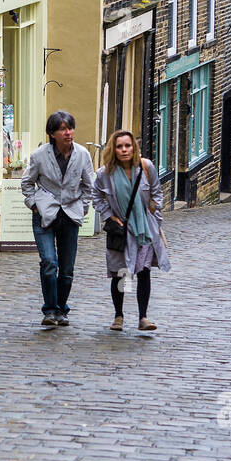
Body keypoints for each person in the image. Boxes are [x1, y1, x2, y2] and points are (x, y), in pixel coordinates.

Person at [21, 111, 95, 327]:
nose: (68, 132)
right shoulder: (39, 156)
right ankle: (49, 310)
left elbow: (88, 185)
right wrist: (34, 204)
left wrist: (82, 207)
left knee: (67, 268)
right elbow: (27, 183)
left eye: (70, 128)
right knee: (49, 262)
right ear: (52, 133)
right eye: (63, 129)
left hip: (71, 214)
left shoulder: (82, 155)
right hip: (45, 213)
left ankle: (62, 309)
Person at [93, 130, 171, 332]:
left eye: (127, 146)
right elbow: (97, 197)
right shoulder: (105, 174)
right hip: (121, 230)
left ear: (133, 147)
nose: (124, 150)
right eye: (119, 146)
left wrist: (152, 213)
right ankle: (119, 315)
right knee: (122, 273)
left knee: (143, 271)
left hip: (144, 229)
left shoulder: (146, 167)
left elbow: (157, 192)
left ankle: (143, 317)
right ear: (113, 149)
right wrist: (110, 216)